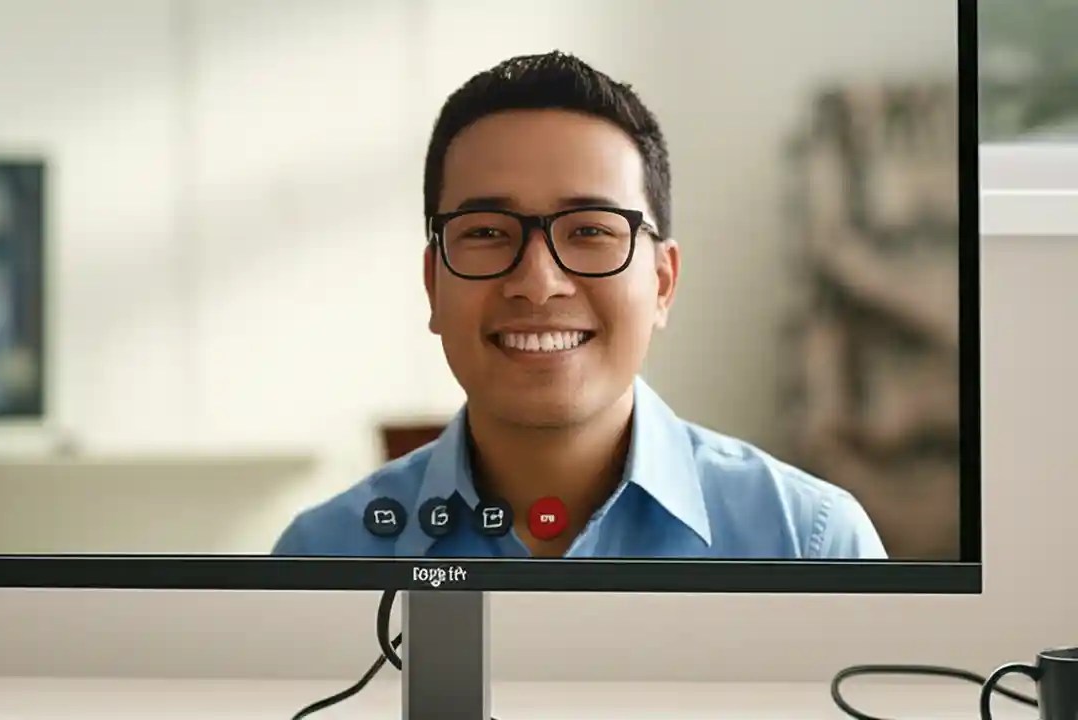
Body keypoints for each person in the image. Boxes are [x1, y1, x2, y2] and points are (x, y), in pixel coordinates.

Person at [272, 51, 887, 560]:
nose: (538, 283)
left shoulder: (809, 544)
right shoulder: (323, 557)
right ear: (433, 284)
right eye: (486, 232)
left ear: (663, 282)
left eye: (590, 230)